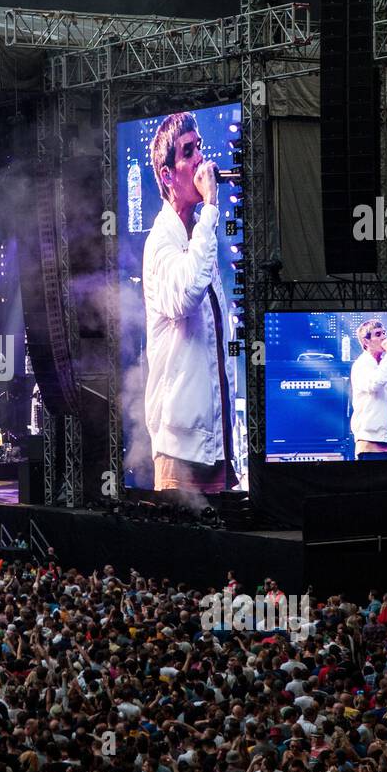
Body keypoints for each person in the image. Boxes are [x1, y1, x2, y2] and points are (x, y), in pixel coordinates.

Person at [141, 112, 238, 492]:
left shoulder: (197, 236)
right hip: (178, 443)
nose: (200, 158)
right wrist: (211, 208)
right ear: (167, 174)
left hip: (212, 437)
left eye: (199, 147)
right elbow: (184, 295)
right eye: (188, 152)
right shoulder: (160, 240)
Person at [350, 319, 387, 461]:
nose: (383, 338)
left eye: (384, 333)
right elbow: (375, 384)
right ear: (366, 341)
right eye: (378, 334)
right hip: (370, 443)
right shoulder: (362, 364)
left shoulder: (383, 365)